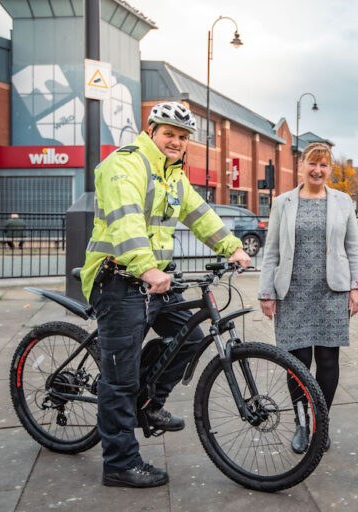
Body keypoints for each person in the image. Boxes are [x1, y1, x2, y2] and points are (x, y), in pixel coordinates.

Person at [80, 101, 251, 488]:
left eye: (182, 136)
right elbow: (126, 220)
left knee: (190, 337)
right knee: (118, 379)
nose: (175, 141)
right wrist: (146, 267)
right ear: (151, 131)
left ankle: (148, 402)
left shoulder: (173, 175)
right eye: (169, 133)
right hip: (119, 278)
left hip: (156, 281)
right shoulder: (125, 164)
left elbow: (200, 213)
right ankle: (120, 464)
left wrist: (232, 248)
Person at [258, 142, 358, 453]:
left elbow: (353, 247)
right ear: (302, 165)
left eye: (324, 165)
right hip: (292, 293)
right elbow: (272, 251)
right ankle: (302, 423)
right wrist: (267, 292)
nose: (318, 170)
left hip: (332, 291)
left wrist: (357, 286)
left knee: (328, 360)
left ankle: (321, 422)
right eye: (312, 164)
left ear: (330, 169)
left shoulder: (344, 202)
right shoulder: (283, 202)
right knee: (298, 361)